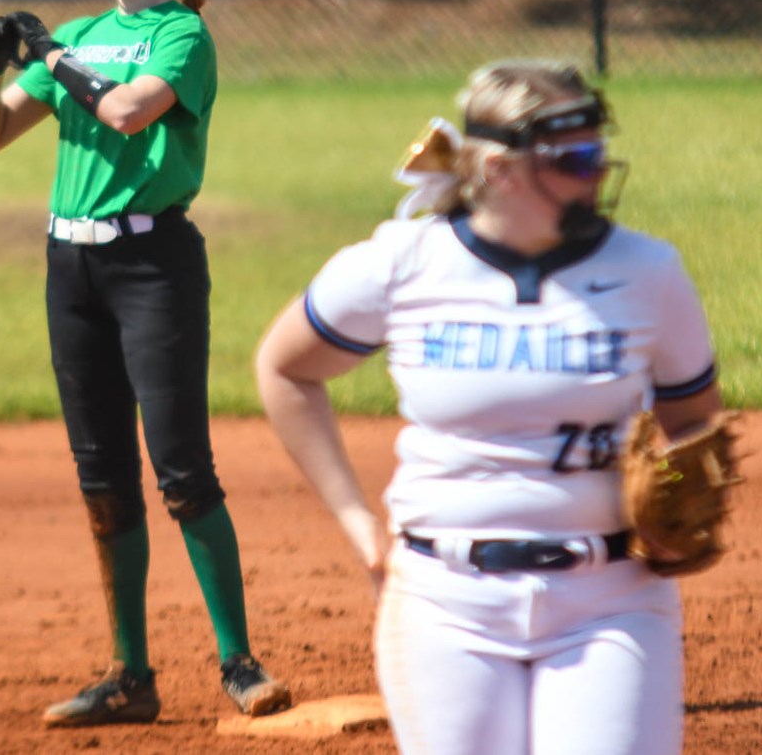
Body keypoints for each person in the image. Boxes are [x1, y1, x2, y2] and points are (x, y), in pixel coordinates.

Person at [255, 61, 725, 755]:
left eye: (598, 151)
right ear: (500, 169)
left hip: (611, 601)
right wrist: (361, 525)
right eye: (575, 158)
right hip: (444, 599)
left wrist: (678, 509)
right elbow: (286, 367)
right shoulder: (403, 264)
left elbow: (695, 424)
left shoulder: (647, 272)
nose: (596, 171)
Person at [0, 0, 292, 728]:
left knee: (183, 469)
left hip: (154, 267)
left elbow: (124, 112)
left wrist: (50, 53)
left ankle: (238, 660)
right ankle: (129, 676)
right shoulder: (75, 33)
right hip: (70, 268)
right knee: (102, 476)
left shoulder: (180, 36)